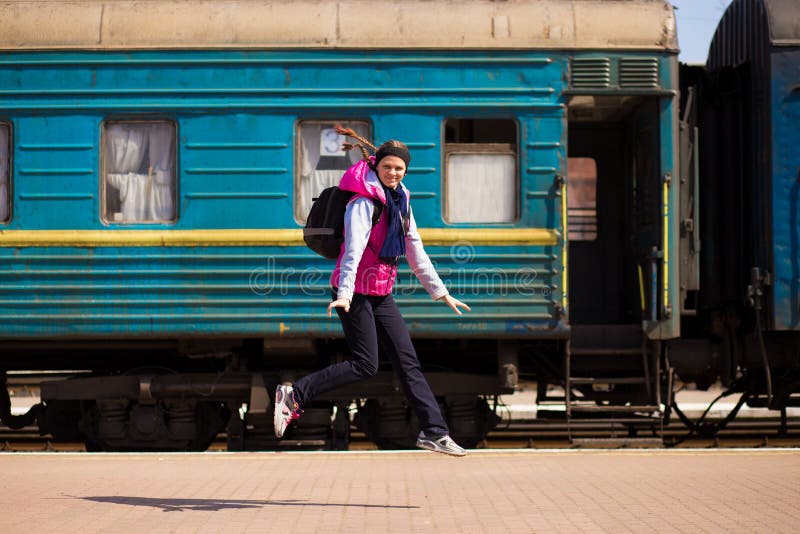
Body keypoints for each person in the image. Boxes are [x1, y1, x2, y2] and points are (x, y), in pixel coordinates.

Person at [274, 137, 471, 456]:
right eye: (388, 167)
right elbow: (352, 250)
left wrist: (441, 292)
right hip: (352, 292)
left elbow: (414, 248)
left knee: (409, 363)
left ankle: (434, 432)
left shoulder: (401, 199)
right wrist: (346, 294)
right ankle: (295, 394)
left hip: (380, 291)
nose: (393, 173)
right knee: (365, 363)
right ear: (376, 166)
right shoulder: (363, 203)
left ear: (406, 171)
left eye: (399, 168)